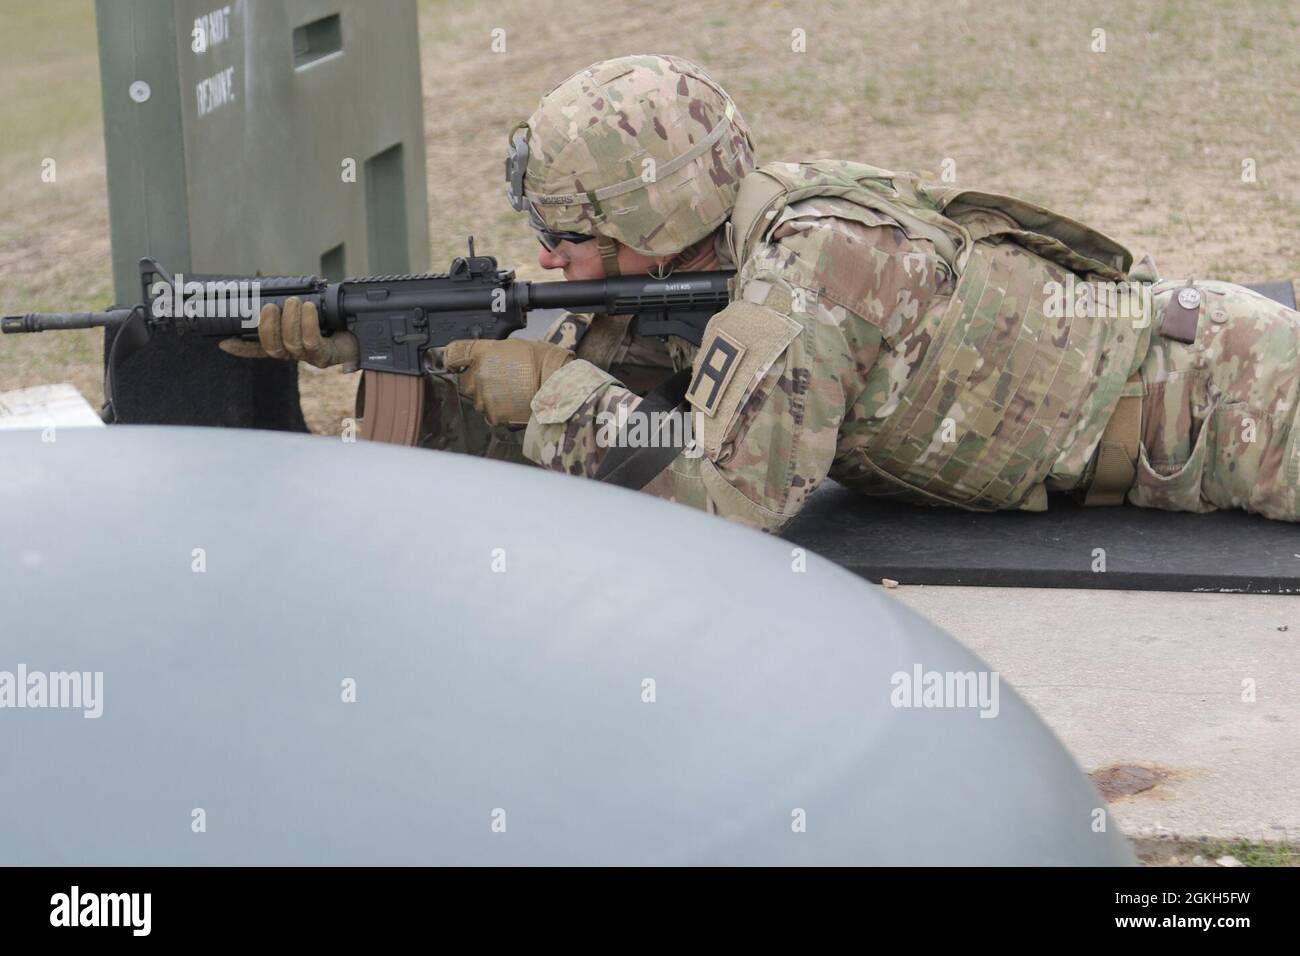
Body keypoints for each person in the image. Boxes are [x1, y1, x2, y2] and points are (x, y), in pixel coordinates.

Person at [225, 54, 1299, 530]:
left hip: (1231, 405)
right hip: (1184, 393)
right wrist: (389, 357)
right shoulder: (722, 246)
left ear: (647, 220)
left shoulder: (807, 270)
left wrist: (551, 390)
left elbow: (730, 502)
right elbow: (635, 431)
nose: (549, 261)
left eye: (570, 233)